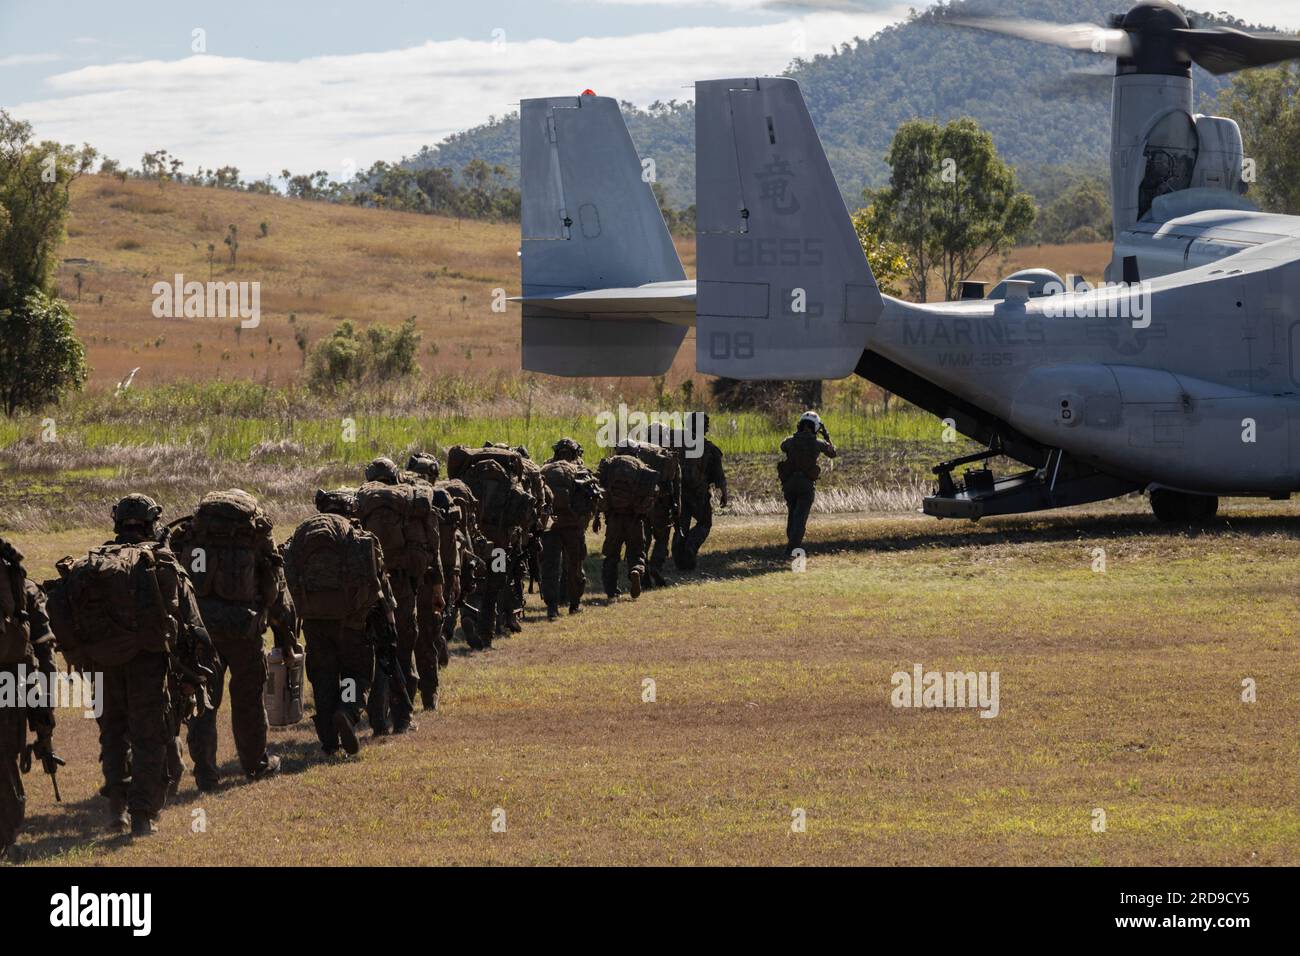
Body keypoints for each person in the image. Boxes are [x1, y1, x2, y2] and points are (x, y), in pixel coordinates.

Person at [45, 495, 211, 836]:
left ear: (117, 523)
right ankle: (141, 815)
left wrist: (81, 656)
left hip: (99, 666)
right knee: (149, 738)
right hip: (146, 664)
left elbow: (58, 610)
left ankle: (117, 811)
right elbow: (191, 625)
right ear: (151, 523)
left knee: (114, 737)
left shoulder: (88, 564)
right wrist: (195, 671)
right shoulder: (161, 561)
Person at [170, 489, 294, 788]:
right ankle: (255, 764)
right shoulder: (254, 532)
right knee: (248, 700)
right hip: (243, 629)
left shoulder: (194, 532)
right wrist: (281, 630)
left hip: (201, 631)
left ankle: (206, 773)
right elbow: (274, 585)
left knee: (204, 701)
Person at [282, 489, 385, 756]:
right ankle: (347, 712)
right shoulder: (356, 534)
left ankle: (329, 742)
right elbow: (377, 579)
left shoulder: (303, 533)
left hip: (314, 622)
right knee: (354, 675)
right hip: (350, 622)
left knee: (324, 680)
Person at [357, 457, 441, 732]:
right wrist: (436, 583)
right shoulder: (410, 502)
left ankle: (379, 718)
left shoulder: (362, 502)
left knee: (376, 653)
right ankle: (403, 717)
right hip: (402, 587)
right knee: (402, 651)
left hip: (369, 588)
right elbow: (429, 550)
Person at [0, 537, 58, 861]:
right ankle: (7, 839)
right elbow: (43, 654)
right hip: (10, 678)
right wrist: (43, 718)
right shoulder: (24, 586)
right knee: (5, 759)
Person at [402, 453, 448, 712]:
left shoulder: (394, 497)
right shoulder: (427, 501)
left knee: (400, 641)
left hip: (395, 580)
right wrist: (439, 587)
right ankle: (429, 696)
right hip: (424, 577)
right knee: (426, 637)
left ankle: (401, 700)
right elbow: (435, 547)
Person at [540, 438, 603, 619]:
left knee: (550, 568)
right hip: (573, 528)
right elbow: (593, 498)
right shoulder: (579, 470)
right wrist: (588, 519)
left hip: (550, 527)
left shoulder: (545, 470)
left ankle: (552, 608)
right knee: (574, 565)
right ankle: (574, 604)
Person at [595, 451, 658, 600]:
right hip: (634, 519)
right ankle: (636, 571)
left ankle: (611, 591)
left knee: (611, 556)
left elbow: (597, 488)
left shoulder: (610, 465)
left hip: (614, 519)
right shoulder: (641, 466)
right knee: (637, 553)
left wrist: (598, 514)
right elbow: (652, 492)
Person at [778, 411, 837, 556]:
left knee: (792, 514)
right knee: (800, 517)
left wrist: (796, 437)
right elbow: (832, 453)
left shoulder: (790, 441)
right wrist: (826, 435)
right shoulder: (818, 443)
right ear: (816, 427)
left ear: (800, 425)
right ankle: (791, 550)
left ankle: (791, 543)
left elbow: (782, 446)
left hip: (789, 484)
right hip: (806, 485)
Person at [674, 412, 728, 570]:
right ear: (704, 428)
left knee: (680, 526)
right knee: (704, 523)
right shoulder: (710, 449)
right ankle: (691, 546)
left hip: (679, 494)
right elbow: (719, 475)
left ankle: (679, 559)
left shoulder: (676, 446)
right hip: (699, 495)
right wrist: (724, 493)